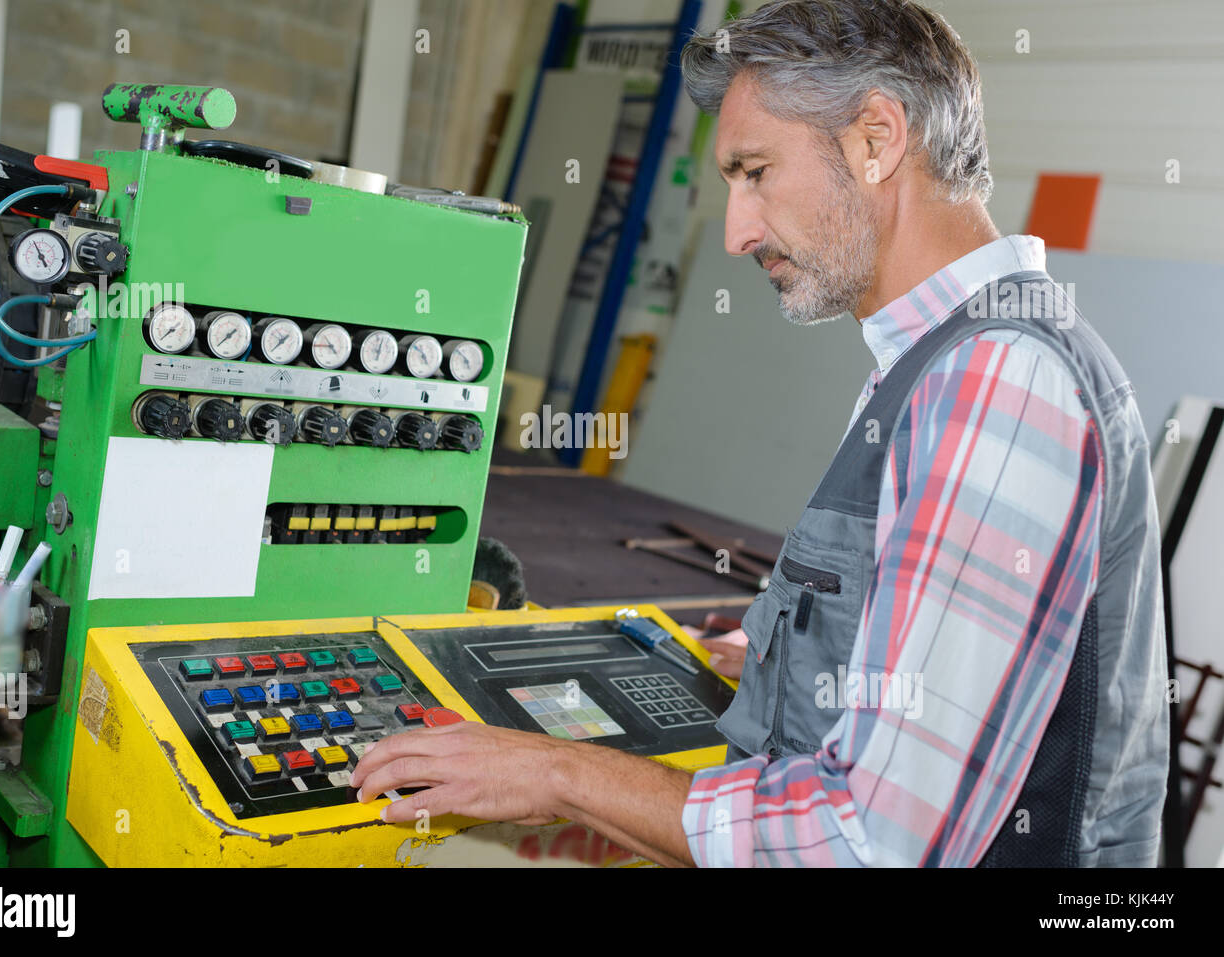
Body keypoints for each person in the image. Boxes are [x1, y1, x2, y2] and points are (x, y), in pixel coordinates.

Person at [352, 0, 1170, 867]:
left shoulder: (995, 379)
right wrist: (785, 658)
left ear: (876, 139)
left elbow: (872, 842)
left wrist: (557, 772)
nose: (737, 231)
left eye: (755, 172)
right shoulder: (944, 358)